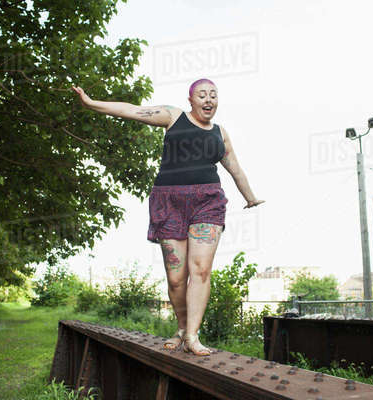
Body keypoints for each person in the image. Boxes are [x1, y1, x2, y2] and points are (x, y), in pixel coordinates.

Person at [71, 78, 264, 356]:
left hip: (207, 202)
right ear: (191, 100)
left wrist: (250, 197)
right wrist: (91, 103)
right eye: (202, 95)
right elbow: (131, 109)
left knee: (200, 270)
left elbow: (235, 168)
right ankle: (182, 328)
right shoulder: (174, 117)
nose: (208, 100)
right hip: (169, 201)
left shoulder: (220, 133)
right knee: (176, 277)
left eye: (213, 95)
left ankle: (193, 336)